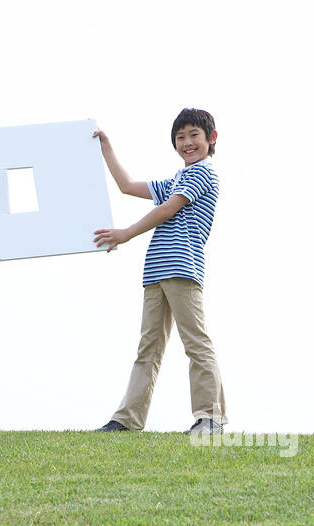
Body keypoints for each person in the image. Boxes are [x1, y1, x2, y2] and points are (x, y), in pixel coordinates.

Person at [92, 108, 226, 435]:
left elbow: (168, 209)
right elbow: (126, 185)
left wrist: (125, 233)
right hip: (156, 270)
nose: (187, 142)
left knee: (196, 342)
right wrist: (105, 147)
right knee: (148, 347)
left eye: (194, 135)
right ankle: (127, 420)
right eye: (180, 137)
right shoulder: (177, 178)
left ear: (211, 138)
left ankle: (211, 419)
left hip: (182, 265)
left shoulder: (203, 172)